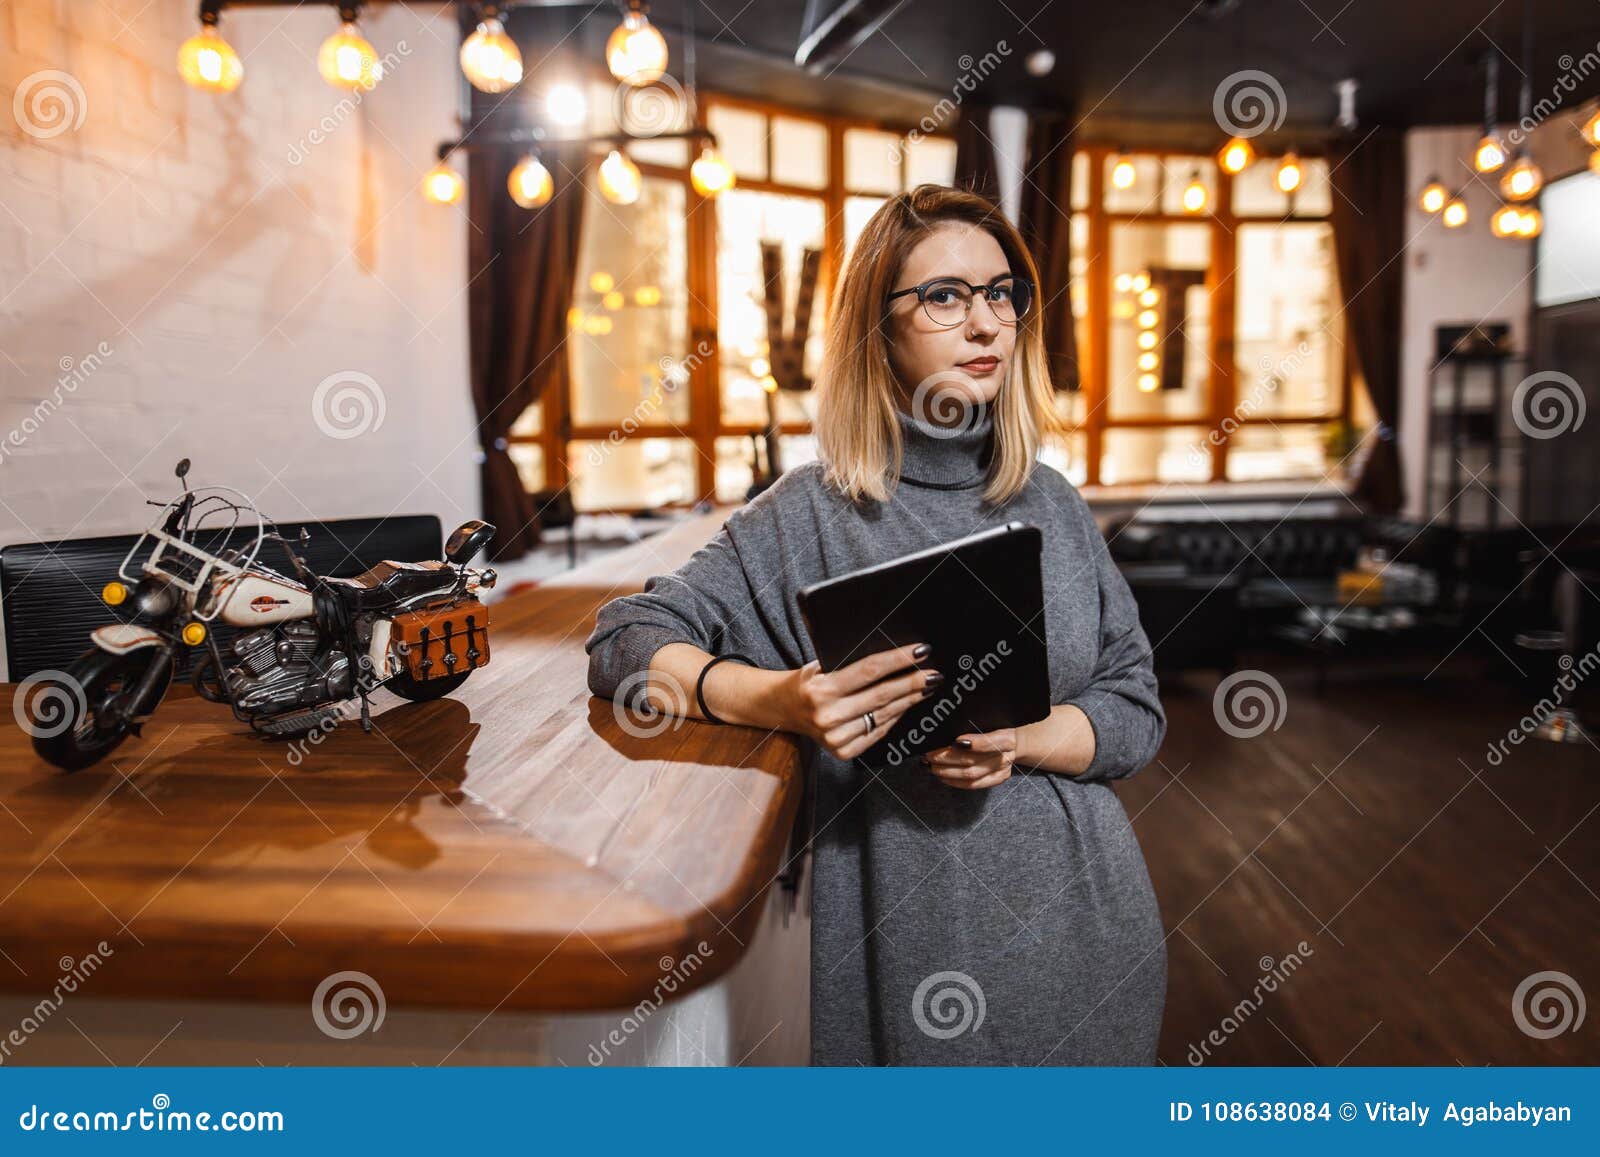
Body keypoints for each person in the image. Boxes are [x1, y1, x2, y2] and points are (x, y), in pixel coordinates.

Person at [585, 184, 1166, 1065]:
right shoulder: (806, 516)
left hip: (1094, 933)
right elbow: (623, 640)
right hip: (911, 954)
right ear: (877, 326)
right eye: (945, 296)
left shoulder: (1054, 503)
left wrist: (1024, 736)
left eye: (1002, 293)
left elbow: (1136, 706)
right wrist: (777, 700)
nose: (986, 324)